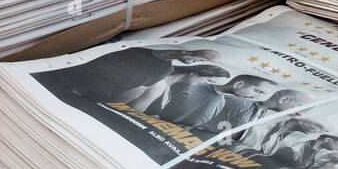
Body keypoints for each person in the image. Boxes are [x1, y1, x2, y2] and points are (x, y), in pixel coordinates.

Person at [32, 47, 227, 103]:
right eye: (198, 57)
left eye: (201, 62)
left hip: (73, 92)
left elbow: (126, 92)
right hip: (53, 70)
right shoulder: (140, 47)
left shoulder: (163, 70)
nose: (196, 62)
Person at [159, 75, 277, 130]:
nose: (258, 97)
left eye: (263, 94)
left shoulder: (220, 103)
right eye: (258, 91)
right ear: (238, 84)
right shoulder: (191, 84)